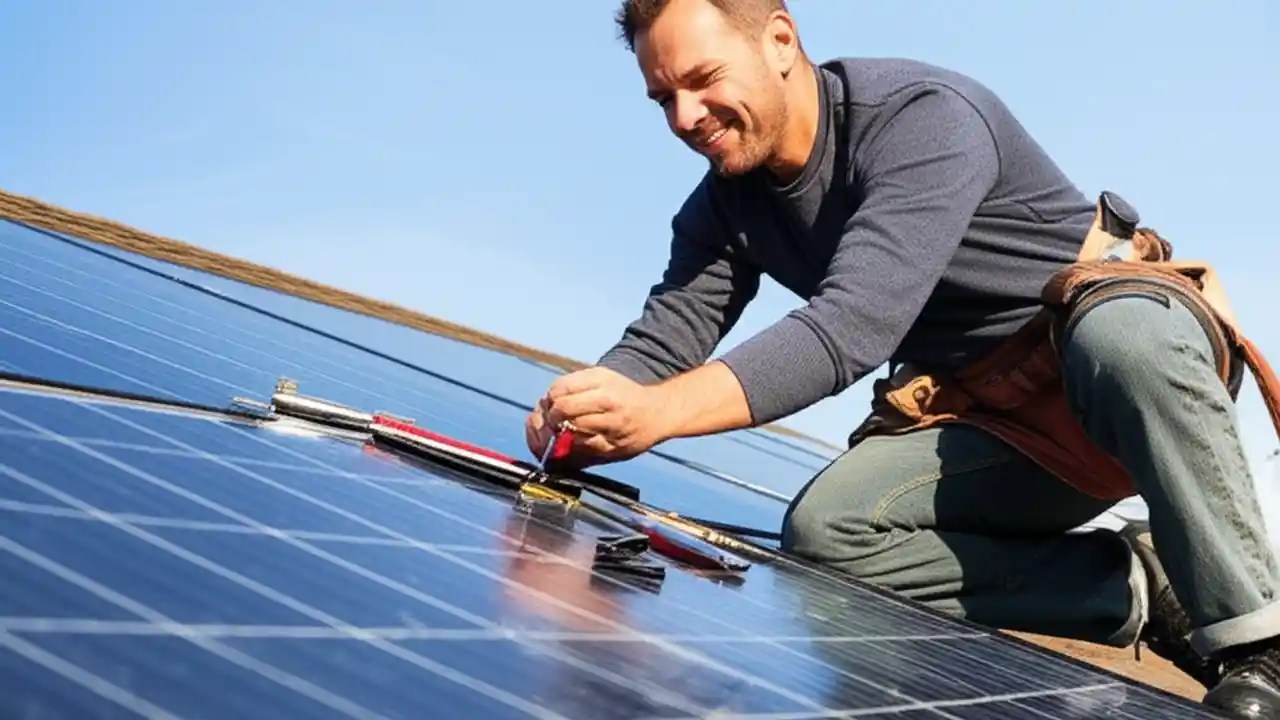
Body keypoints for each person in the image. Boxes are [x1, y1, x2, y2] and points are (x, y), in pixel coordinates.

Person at [522, 0, 1280, 715]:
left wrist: (657, 414)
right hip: (1000, 425)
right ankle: (1138, 588)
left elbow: (853, 325)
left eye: (702, 80)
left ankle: (1260, 642)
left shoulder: (920, 118)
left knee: (1119, 338)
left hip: (1116, 364)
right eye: (663, 99)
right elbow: (667, 335)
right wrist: (584, 407)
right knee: (831, 531)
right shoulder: (725, 205)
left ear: (780, 42)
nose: (685, 118)